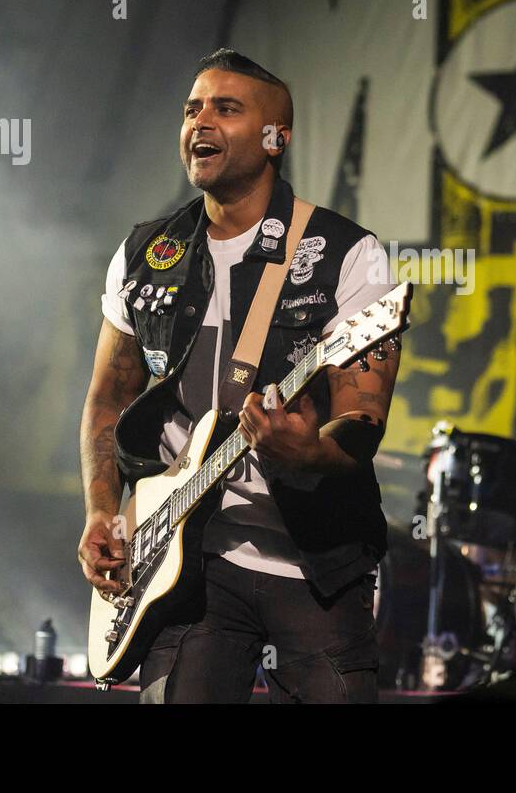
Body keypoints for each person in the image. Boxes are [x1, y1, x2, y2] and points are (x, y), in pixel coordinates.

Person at [77, 48, 400, 703]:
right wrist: (102, 514)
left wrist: (308, 450)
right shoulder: (146, 254)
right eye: (193, 107)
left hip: (313, 565)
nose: (202, 122)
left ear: (276, 137)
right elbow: (109, 401)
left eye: (227, 109)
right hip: (183, 574)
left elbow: (363, 416)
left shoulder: (345, 253)